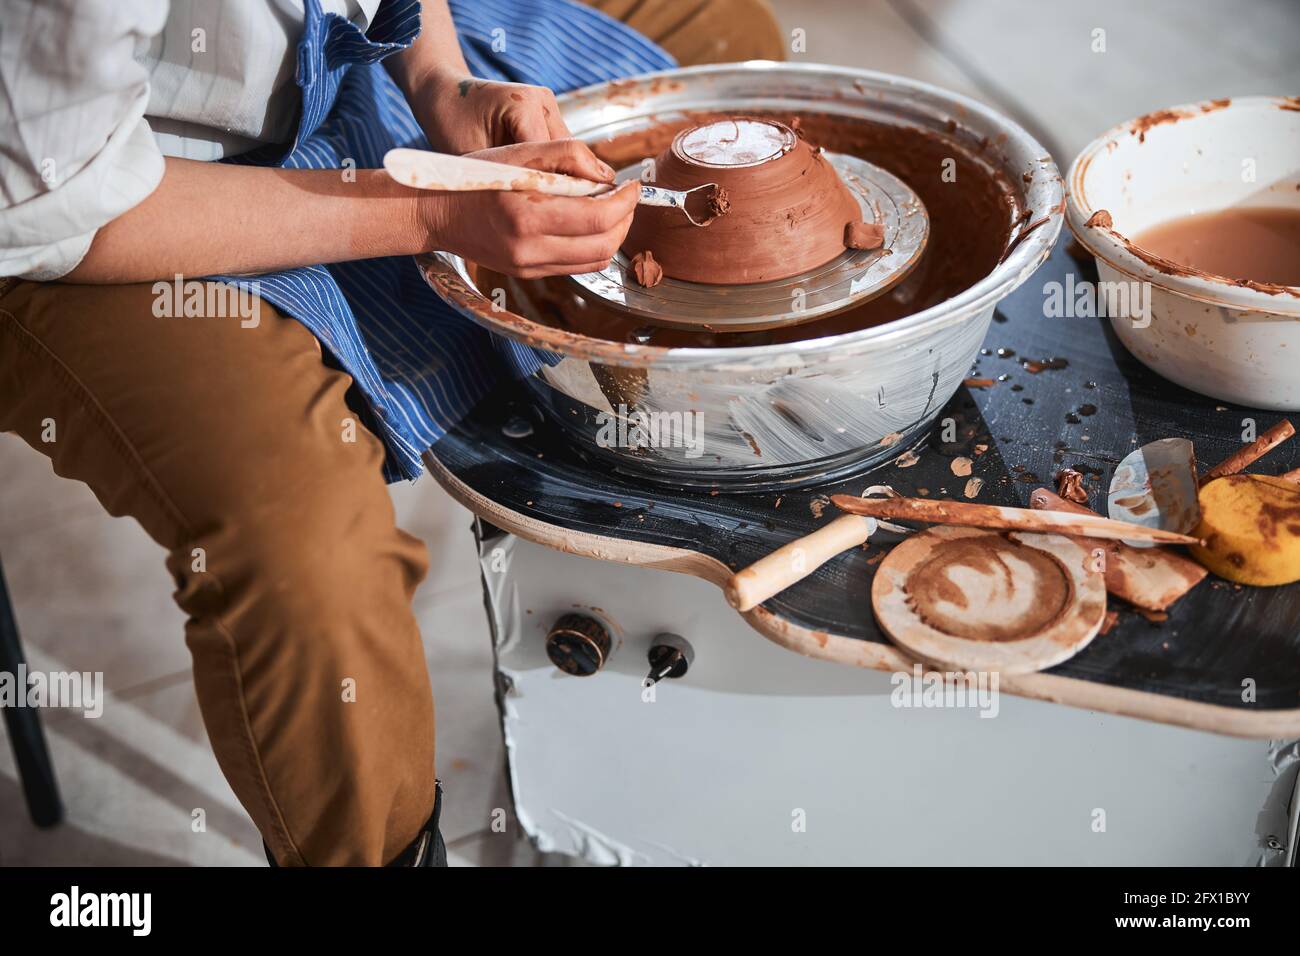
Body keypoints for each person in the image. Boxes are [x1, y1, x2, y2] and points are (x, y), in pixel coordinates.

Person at [0, 0, 782, 866]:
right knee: (305, 548)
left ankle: (648, 710)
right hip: (97, 210)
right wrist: (426, 213)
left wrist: (439, 78)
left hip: (334, 70)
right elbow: (57, 202)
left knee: (728, 55)